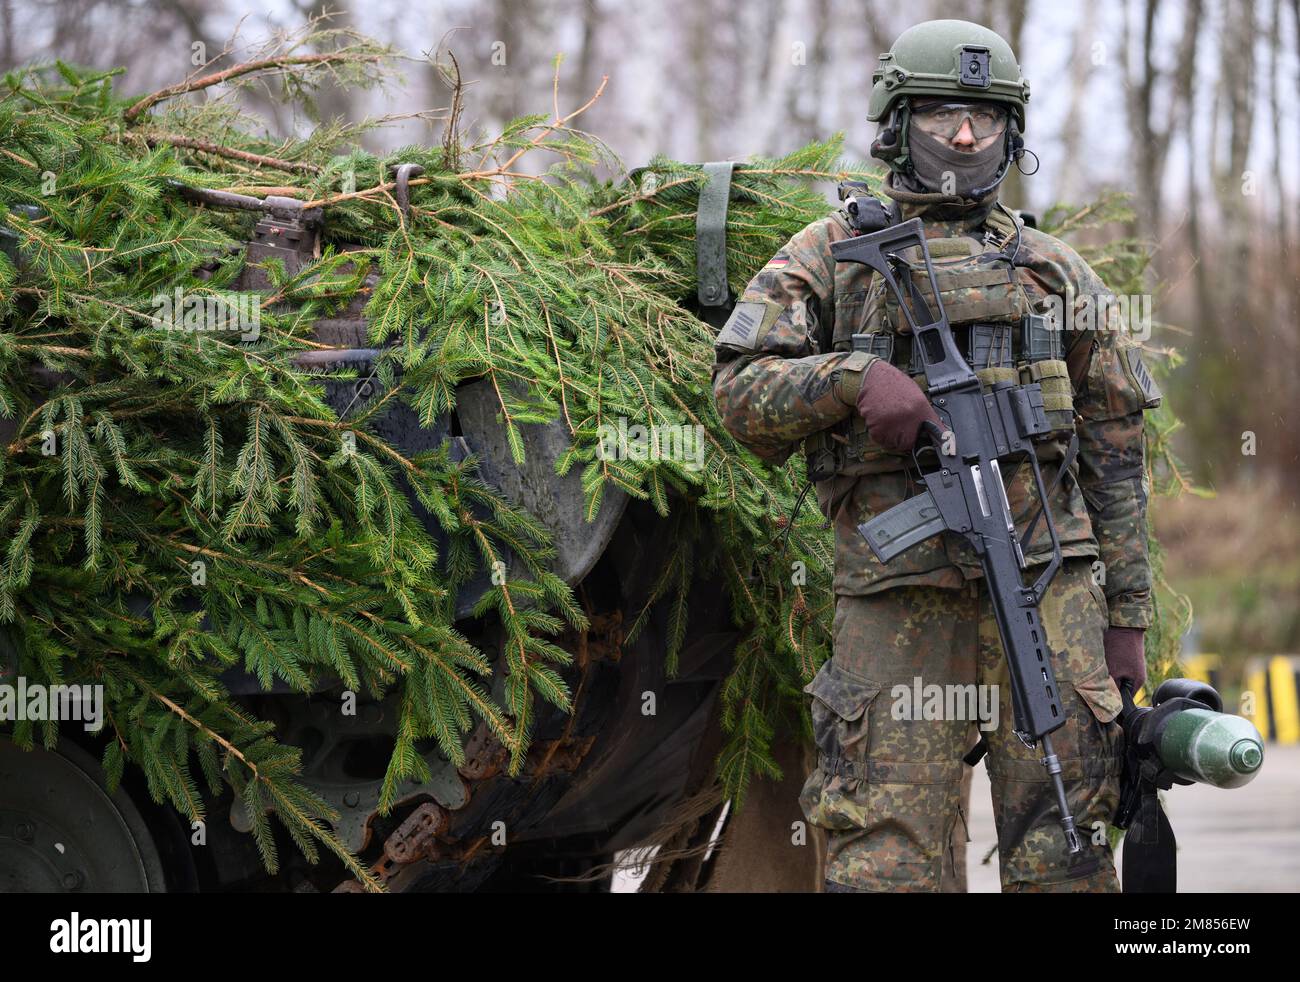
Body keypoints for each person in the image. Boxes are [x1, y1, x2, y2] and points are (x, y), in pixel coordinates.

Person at [710, 19, 1162, 892]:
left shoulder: (1055, 272)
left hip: (1049, 599)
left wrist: (1129, 619)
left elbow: (1115, 449)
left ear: (1011, 133)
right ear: (898, 120)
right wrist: (851, 378)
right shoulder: (831, 256)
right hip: (896, 609)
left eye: (985, 119)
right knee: (886, 863)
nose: (964, 135)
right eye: (944, 113)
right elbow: (737, 394)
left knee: (1067, 852)